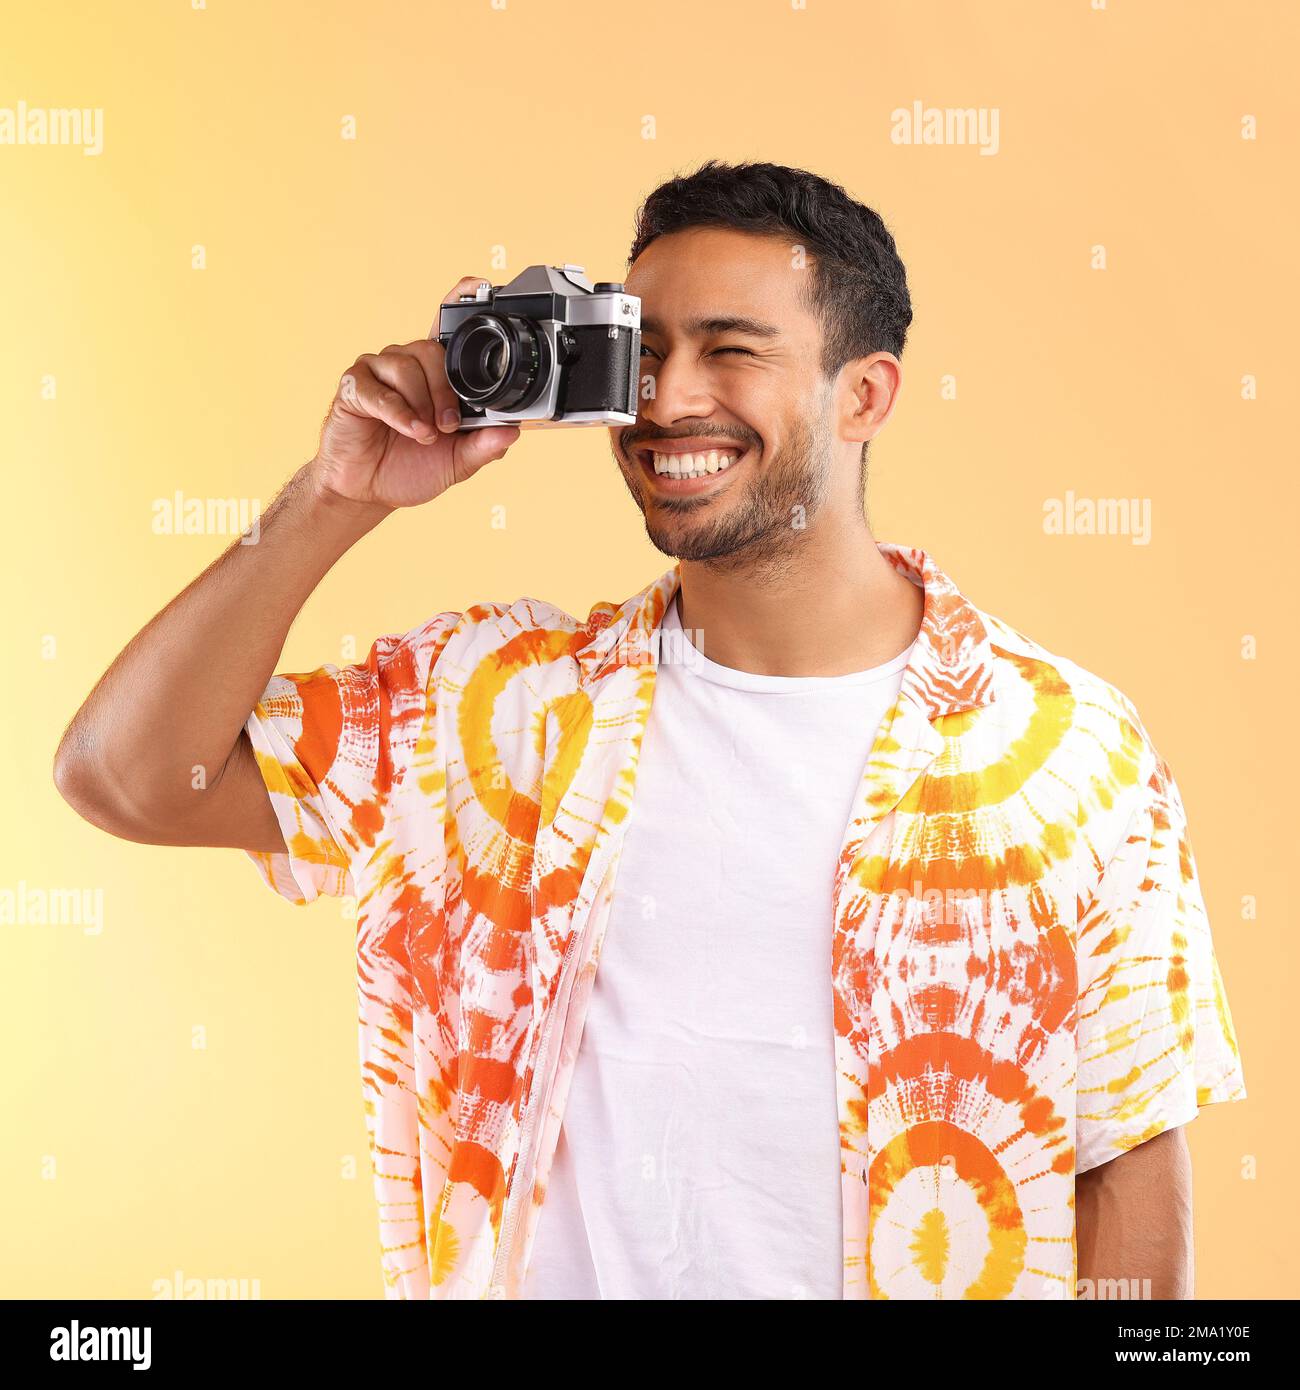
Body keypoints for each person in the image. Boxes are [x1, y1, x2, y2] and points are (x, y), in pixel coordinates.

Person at [53, 159, 1246, 1301]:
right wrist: (334, 497)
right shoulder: (491, 713)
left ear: (864, 391)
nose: (669, 400)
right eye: (646, 353)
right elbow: (128, 776)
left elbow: (1128, 1161)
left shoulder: (1069, 750)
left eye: (731, 351)